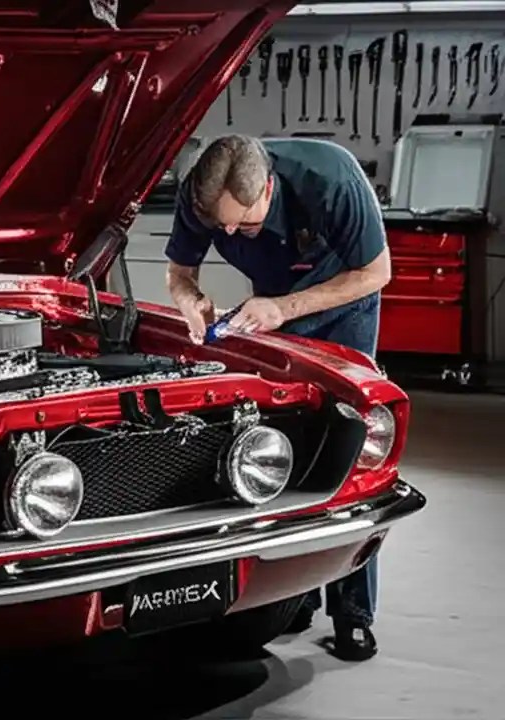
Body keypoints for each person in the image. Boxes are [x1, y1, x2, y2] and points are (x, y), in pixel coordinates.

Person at [163, 134, 392, 661]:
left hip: (342, 299)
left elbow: (376, 273)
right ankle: (294, 594)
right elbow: (179, 272)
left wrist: (285, 308)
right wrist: (191, 300)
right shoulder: (202, 196)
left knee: (348, 446)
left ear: (268, 189)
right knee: (281, 441)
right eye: (219, 225)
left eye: (242, 224)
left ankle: (352, 612)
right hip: (269, 310)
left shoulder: (331, 180)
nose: (228, 233)